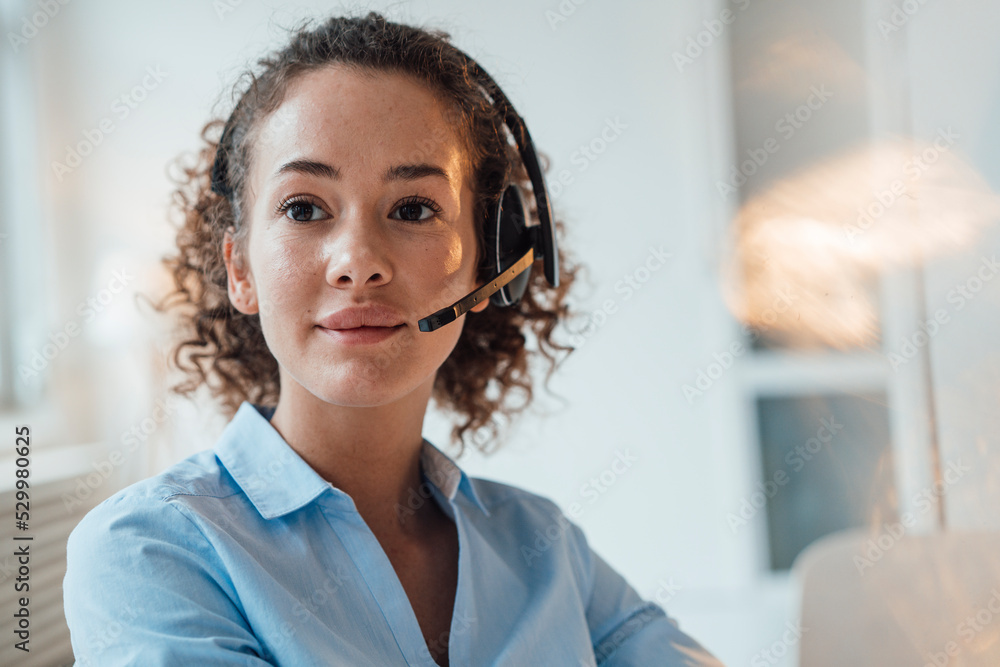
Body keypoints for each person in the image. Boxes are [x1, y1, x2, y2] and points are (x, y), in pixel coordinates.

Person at [62, 11, 724, 666]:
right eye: (303, 208)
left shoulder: (545, 546)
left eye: (413, 209)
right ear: (240, 270)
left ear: (493, 262)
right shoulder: (151, 549)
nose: (358, 261)